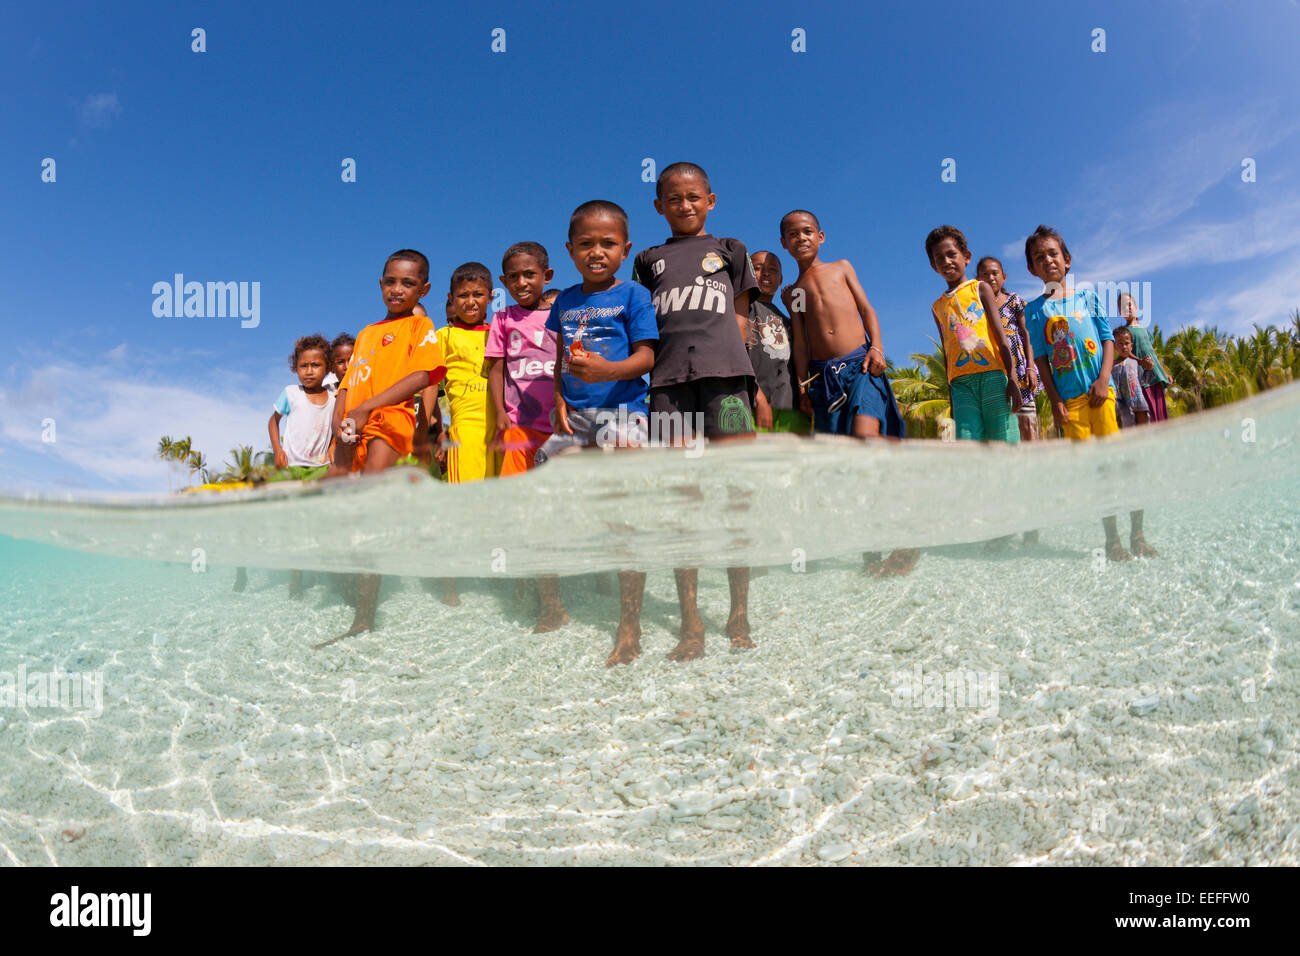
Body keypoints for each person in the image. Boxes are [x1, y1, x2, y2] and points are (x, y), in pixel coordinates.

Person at [631, 162, 763, 660]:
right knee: (680, 502)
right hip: (667, 386)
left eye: (693, 197)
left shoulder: (731, 250)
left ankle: (740, 612)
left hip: (728, 383)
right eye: (673, 198)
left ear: (711, 199)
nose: (684, 206)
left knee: (736, 495)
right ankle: (691, 621)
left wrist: (751, 384)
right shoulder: (648, 260)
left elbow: (741, 318)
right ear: (658, 206)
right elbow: (642, 320)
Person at [536, 200, 658, 667]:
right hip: (574, 419)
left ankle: (630, 627)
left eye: (608, 243)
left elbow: (647, 358)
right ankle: (552, 606)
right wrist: (560, 398)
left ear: (625, 249)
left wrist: (608, 369)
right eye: (585, 244)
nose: (596, 252)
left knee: (625, 516)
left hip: (624, 414)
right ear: (569, 250)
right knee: (539, 494)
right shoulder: (564, 301)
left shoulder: (633, 296)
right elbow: (561, 360)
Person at [318, 249, 448, 645]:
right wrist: (341, 420)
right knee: (331, 502)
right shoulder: (365, 333)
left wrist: (367, 409)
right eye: (390, 281)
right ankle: (353, 583)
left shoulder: (418, 328)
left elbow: (427, 374)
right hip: (351, 426)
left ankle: (365, 615)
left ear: (423, 288)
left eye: (408, 283)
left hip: (389, 422)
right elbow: (345, 386)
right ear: (380, 283)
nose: (397, 289)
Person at [780, 208, 918, 576]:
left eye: (808, 231)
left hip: (860, 365)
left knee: (866, 440)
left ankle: (906, 538)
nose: (801, 238)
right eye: (793, 234)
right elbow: (801, 342)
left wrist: (878, 348)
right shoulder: (793, 292)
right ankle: (870, 552)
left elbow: (867, 308)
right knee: (845, 467)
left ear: (821, 236)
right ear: (784, 243)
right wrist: (802, 385)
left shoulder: (841, 266)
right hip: (824, 378)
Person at [1023, 225, 1157, 560]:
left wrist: (1103, 380)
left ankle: (1137, 535)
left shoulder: (1087, 297)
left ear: (1067, 260)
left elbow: (1107, 339)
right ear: (1032, 269)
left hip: (1102, 393)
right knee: (1099, 473)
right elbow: (1040, 359)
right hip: (1070, 404)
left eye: (1053, 253)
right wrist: (1054, 401)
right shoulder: (1034, 310)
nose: (1048, 260)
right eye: (1039, 257)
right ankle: (1113, 542)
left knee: (1119, 464)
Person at [485, 240, 568, 632]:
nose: (522, 282)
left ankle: (574, 583)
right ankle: (548, 602)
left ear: (547, 276)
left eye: (530, 274)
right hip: (520, 427)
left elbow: (570, 364)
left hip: (561, 428)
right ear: (503, 280)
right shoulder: (502, 320)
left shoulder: (562, 315)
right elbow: (497, 370)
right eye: (513, 276)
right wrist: (501, 413)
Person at [926, 227, 1022, 444]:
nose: (947, 261)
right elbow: (947, 352)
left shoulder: (981, 289)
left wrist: (1013, 377)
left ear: (966, 257)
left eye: (952, 254)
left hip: (993, 376)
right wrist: (951, 395)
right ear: (934, 266)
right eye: (939, 258)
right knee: (968, 443)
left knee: (1003, 439)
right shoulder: (937, 307)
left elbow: (1000, 335)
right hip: (960, 384)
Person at [976, 256, 1041, 441]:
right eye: (985, 275)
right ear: (978, 281)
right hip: (996, 372)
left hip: (1020, 371)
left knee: (1027, 424)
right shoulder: (977, 309)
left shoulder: (1013, 300)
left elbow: (1027, 333)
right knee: (1006, 426)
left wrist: (1030, 367)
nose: (991, 278)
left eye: (995, 273)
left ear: (1003, 276)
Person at [748, 250, 807, 432]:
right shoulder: (743, 310)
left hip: (790, 405)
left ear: (781, 279)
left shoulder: (788, 320)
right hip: (752, 404)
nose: (765, 273)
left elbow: (801, 351)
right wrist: (759, 399)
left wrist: (793, 311)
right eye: (757, 268)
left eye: (772, 269)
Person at [269, 333, 336, 480]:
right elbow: (273, 422)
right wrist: (278, 450)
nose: (309, 371)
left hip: (321, 467)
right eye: (303, 366)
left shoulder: (334, 397)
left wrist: (333, 445)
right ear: (296, 367)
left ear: (328, 367)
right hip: (290, 466)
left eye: (316, 365)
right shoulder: (291, 393)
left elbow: (337, 426)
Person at [1116, 291, 1170, 422]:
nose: (1127, 308)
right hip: (1142, 378)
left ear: (1136, 307)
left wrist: (1163, 371)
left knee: (1161, 410)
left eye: (1129, 305)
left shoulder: (1144, 329)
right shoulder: (1125, 333)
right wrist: (1140, 362)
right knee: (1149, 411)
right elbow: (1126, 353)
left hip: (1156, 374)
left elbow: (1152, 352)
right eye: (1122, 307)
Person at [1111, 326, 1150, 428]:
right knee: (1127, 425)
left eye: (1127, 343)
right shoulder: (1111, 365)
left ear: (1131, 346)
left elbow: (1143, 381)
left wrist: (1149, 368)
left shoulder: (1135, 363)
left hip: (1137, 400)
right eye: (1120, 343)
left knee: (1144, 425)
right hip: (1121, 404)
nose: (1124, 347)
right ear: (1114, 347)